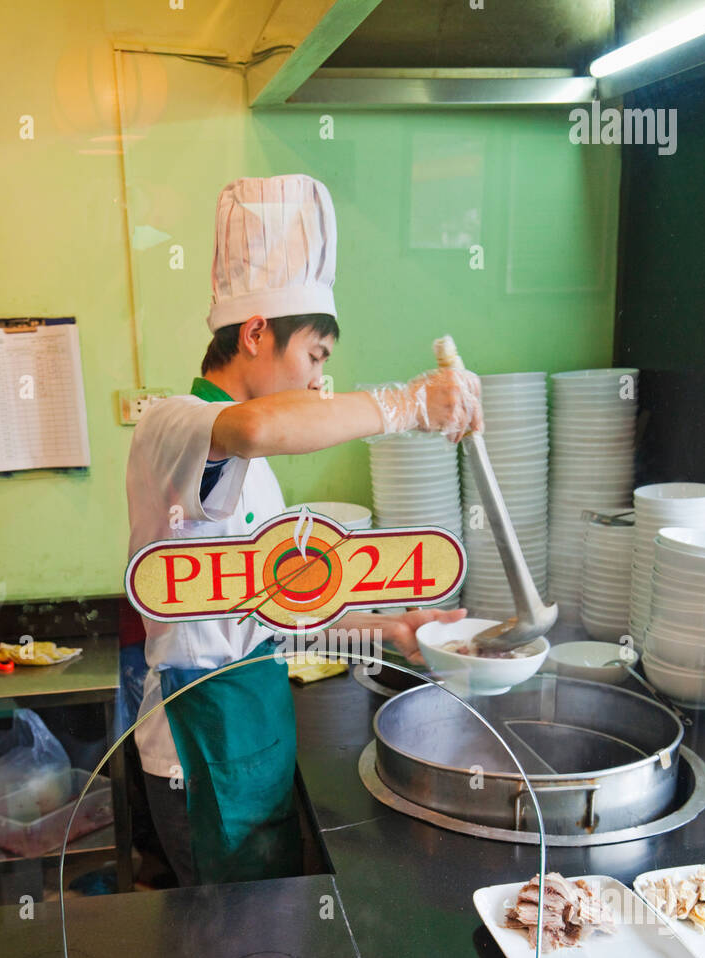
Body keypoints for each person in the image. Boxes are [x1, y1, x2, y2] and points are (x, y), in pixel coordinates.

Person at [126, 174, 482, 887]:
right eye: (315, 355)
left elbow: (271, 606)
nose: (321, 378)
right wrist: (407, 403)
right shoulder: (175, 424)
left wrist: (387, 627)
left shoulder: (252, 467)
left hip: (254, 720)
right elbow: (259, 425)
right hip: (201, 746)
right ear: (256, 332)